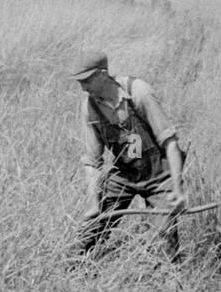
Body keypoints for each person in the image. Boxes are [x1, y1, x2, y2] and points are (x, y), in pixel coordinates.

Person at [71, 50, 187, 261]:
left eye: (87, 80)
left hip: (158, 175)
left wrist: (177, 189)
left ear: (103, 74)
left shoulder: (138, 91)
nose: (83, 87)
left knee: (165, 242)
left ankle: (171, 281)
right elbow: (92, 162)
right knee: (88, 232)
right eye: (79, 82)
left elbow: (170, 142)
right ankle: (75, 269)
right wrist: (93, 203)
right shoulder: (90, 107)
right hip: (123, 174)